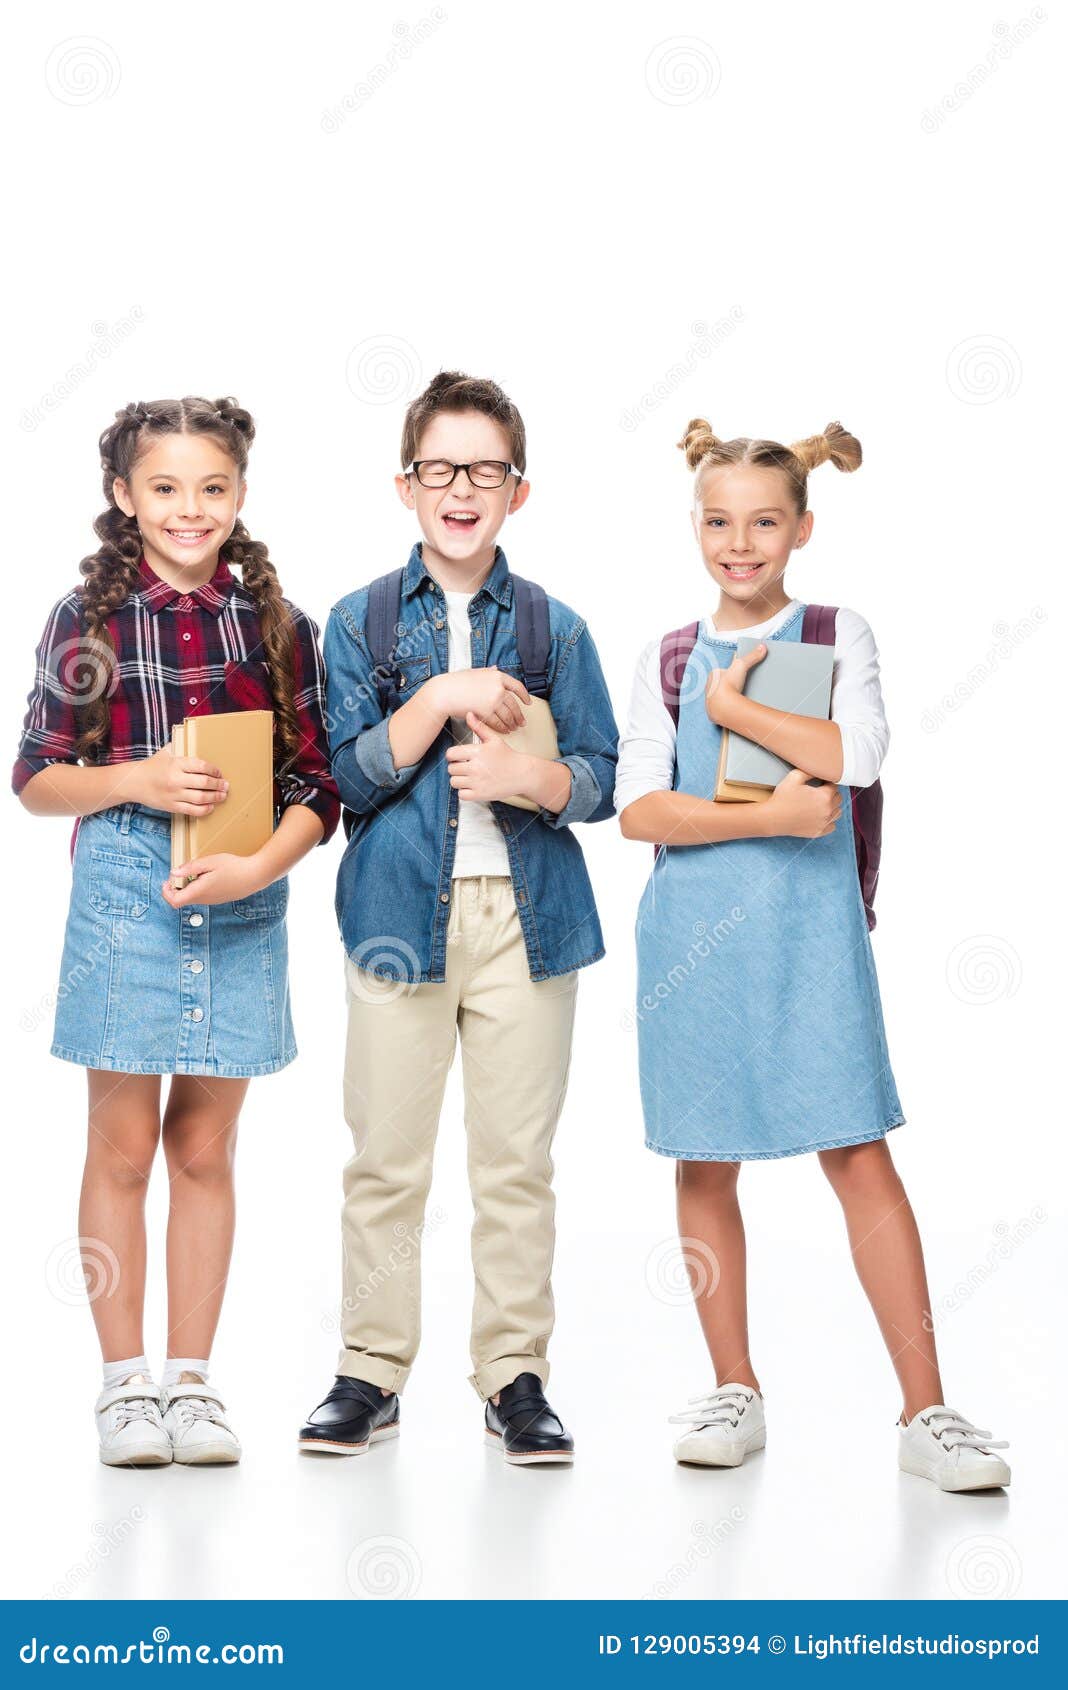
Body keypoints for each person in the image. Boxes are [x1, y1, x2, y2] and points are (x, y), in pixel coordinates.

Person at [614, 417, 1010, 1491]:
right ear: (694, 524)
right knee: (706, 1159)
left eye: (764, 522)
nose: (739, 543)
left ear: (802, 527)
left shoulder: (840, 633)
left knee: (858, 1153)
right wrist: (771, 816)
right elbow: (638, 809)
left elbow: (862, 753)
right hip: (694, 941)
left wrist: (741, 708)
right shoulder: (664, 655)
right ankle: (733, 1384)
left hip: (812, 941)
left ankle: (925, 1409)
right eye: (718, 521)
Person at [13, 397, 339, 1467]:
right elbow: (36, 778)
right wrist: (141, 779)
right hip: (124, 897)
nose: (189, 509)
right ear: (125, 498)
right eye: (165, 488)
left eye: (213, 487)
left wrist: (260, 863)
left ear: (240, 495)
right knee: (122, 1147)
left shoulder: (278, 627)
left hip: (246, 891)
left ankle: (192, 1384)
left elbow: (316, 785)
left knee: (205, 1149)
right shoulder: (89, 621)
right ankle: (122, 1385)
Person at [299, 371, 618, 1464]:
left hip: (529, 922)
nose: (462, 488)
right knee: (385, 1158)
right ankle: (370, 1370)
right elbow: (345, 773)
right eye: (443, 468)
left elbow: (602, 774)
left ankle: (515, 1376)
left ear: (516, 491)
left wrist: (533, 778)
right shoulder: (360, 621)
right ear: (407, 484)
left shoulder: (554, 625)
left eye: (486, 469)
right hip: (396, 916)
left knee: (514, 1161)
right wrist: (433, 701)